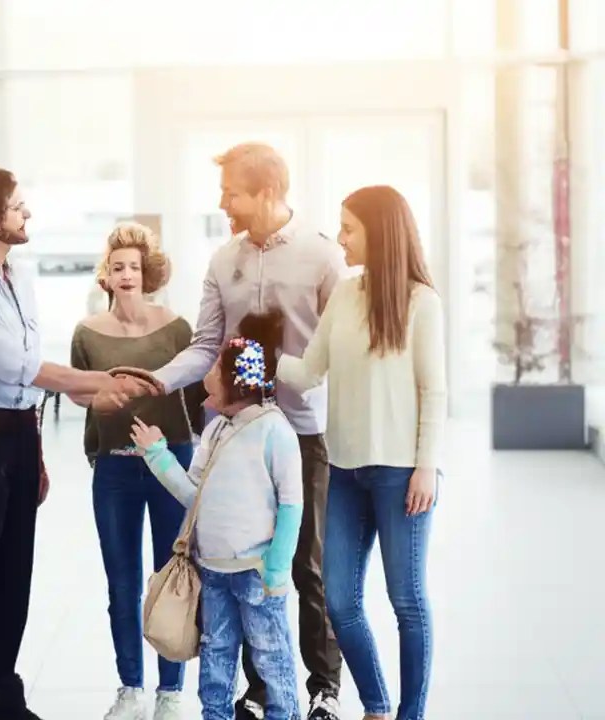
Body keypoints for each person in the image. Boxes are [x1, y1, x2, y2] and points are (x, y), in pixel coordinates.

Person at [97, 142, 346, 720]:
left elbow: (340, 350)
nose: (223, 202)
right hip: (232, 434)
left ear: (266, 191)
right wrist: (157, 380)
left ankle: (323, 689)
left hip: (298, 430)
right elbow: (207, 345)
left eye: (232, 191)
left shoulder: (320, 257)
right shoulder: (222, 260)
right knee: (237, 560)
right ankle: (259, 693)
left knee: (301, 561)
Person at [0, 167, 157, 720]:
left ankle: (4, 701)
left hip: (14, 438)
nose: (26, 215)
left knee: (13, 575)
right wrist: (97, 381)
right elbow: (17, 365)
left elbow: (26, 377)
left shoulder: (19, 277)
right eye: (17, 207)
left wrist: (36, 448)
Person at [276, 185, 445, 720]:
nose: (340, 237)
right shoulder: (346, 294)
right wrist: (255, 356)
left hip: (402, 476)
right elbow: (307, 372)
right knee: (341, 602)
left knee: (407, 602)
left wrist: (425, 467)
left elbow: (434, 391)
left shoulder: (422, 302)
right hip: (344, 470)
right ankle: (375, 706)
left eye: (348, 227)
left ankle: (409, 713)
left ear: (380, 232)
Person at [130, 311, 303, 720]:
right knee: (216, 655)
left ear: (232, 381)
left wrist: (276, 571)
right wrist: (157, 455)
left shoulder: (275, 431)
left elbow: (292, 505)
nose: (206, 372)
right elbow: (194, 495)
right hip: (213, 570)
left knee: (272, 658)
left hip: (256, 572)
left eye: (213, 367)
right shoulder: (215, 431)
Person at [68, 222, 194, 720]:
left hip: (171, 466)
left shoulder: (177, 326)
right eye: (117, 267)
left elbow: (197, 393)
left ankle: (170, 693)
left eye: (134, 267)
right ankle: (131, 690)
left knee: (171, 576)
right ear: (106, 275)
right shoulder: (87, 332)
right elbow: (77, 390)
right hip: (115, 470)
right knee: (120, 581)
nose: (126, 275)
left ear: (149, 274)